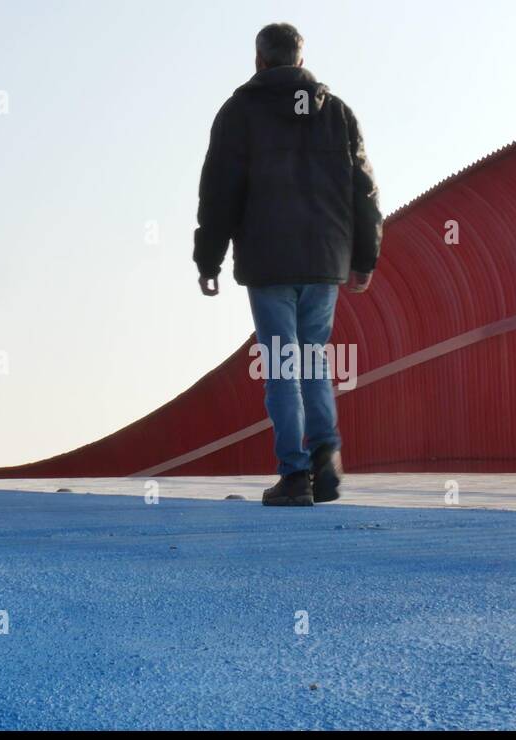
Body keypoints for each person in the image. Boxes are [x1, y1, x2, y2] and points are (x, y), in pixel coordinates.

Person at [193, 22, 383, 506]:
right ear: (301, 59)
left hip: (268, 260)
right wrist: (365, 257)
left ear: (259, 61)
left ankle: (295, 476)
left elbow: (219, 192)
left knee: (281, 364)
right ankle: (327, 456)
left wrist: (208, 258)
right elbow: (364, 189)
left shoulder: (239, 113)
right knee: (313, 358)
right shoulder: (337, 113)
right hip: (323, 259)